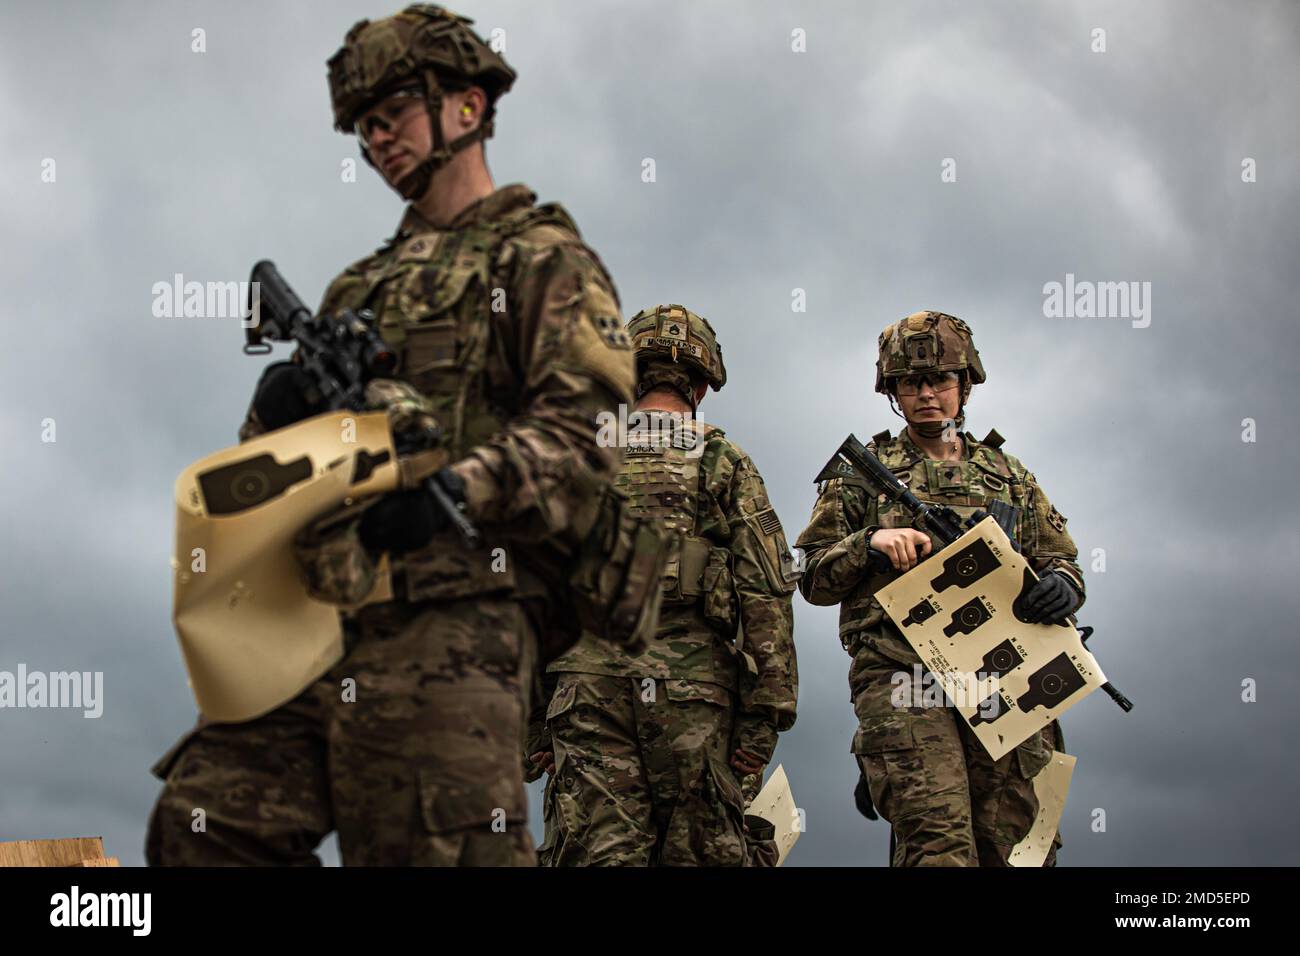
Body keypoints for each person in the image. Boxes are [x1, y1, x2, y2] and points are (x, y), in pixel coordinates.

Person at [146, 4, 635, 866]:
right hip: (318, 622)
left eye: (394, 113)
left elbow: (585, 434)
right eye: (364, 127)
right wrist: (280, 404)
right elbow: (276, 469)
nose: (378, 141)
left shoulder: (542, 258)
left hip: (456, 621)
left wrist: (456, 490)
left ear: (467, 107)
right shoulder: (356, 289)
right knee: (207, 824)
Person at [795, 311, 1084, 866]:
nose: (926, 394)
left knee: (1018, 848)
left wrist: (1062, 587)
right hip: (904, 674)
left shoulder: (1007, 474)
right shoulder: (861, 472)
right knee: (938, 845)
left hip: (1004, 675)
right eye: (910, 382)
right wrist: (870, 543)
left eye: (940, 380)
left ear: (965, 384)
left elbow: (1060, 558)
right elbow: (809, 575)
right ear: (893, 391)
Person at [528, 305, 799, 866]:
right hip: (694, 693)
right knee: (701, 854)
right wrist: (766, 716)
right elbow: (767, 593)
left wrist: (533, 725)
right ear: (702, 384)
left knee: (599, 853)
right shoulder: (724, 459)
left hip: (585, 691)